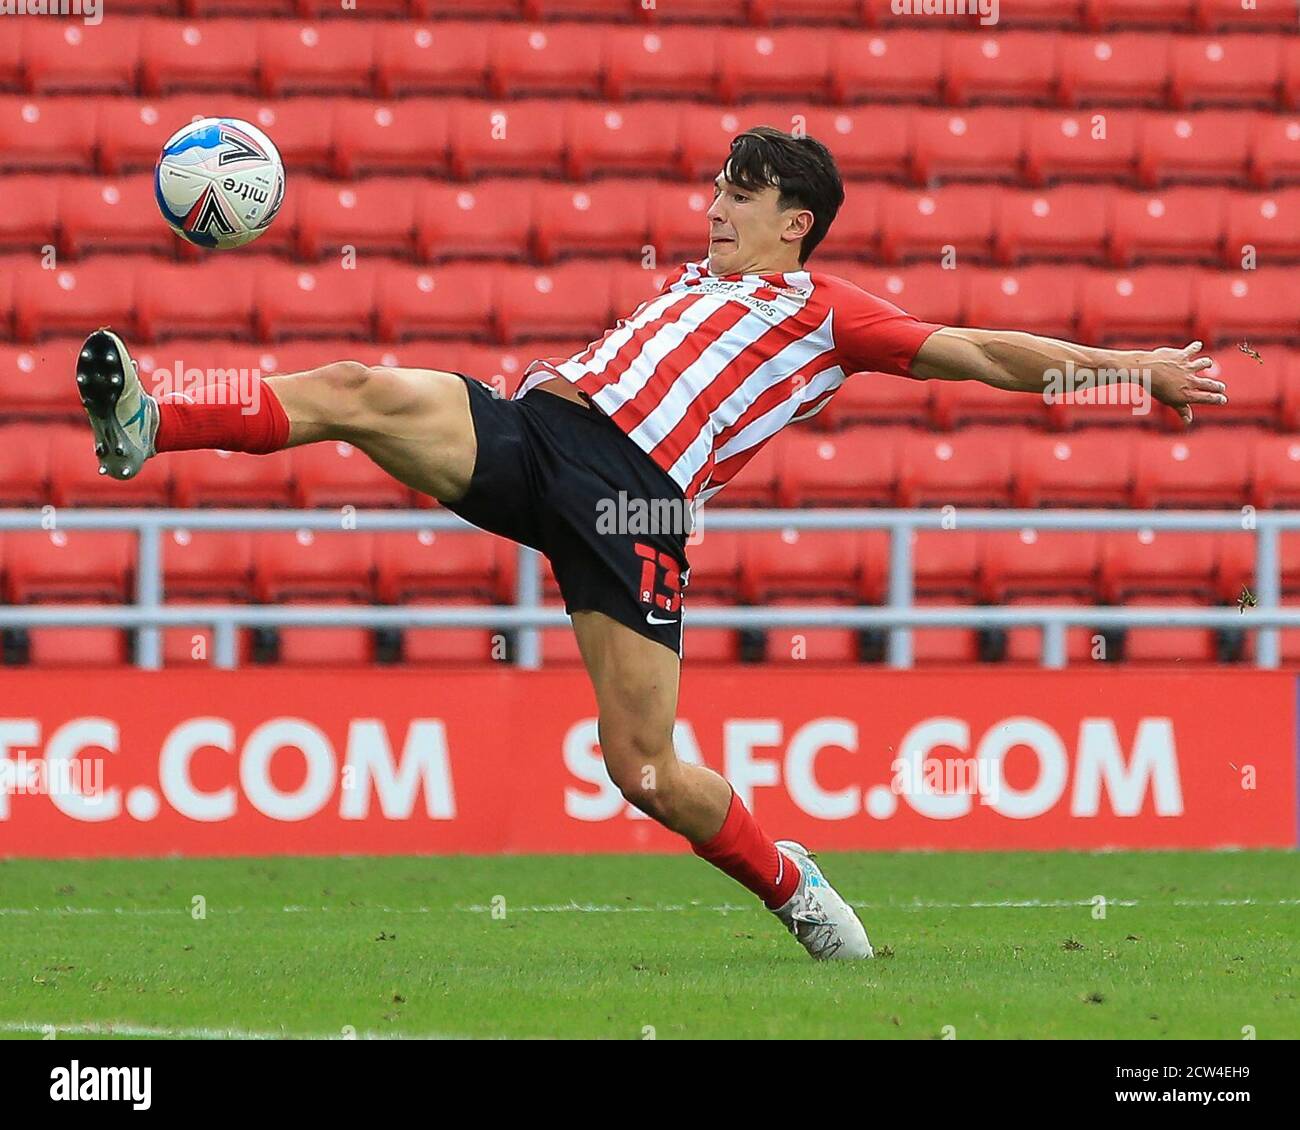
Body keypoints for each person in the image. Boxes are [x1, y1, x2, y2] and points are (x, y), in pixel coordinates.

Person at [73, 126, 1228, 961]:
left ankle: (796, 889)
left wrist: (1134, 370)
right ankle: (148, 427)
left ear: (796, 224)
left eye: (742, 196)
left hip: (637, 503)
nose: (715, 209)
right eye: (717, 189)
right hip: (540, 432)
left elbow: (982, 355)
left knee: (639, 768)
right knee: (358, 388)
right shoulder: (694, 282)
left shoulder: (830, 314)